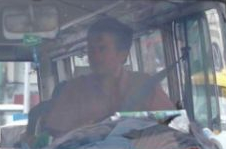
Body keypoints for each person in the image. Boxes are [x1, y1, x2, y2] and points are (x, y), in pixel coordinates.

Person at [34, 17, 174, 138]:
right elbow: (53, 139)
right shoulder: (74, 90)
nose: (94, 55)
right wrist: (81, 130)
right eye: (90, 49)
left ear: (123, 54)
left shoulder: (145, 86)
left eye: (101, 49)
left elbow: (172, 130)